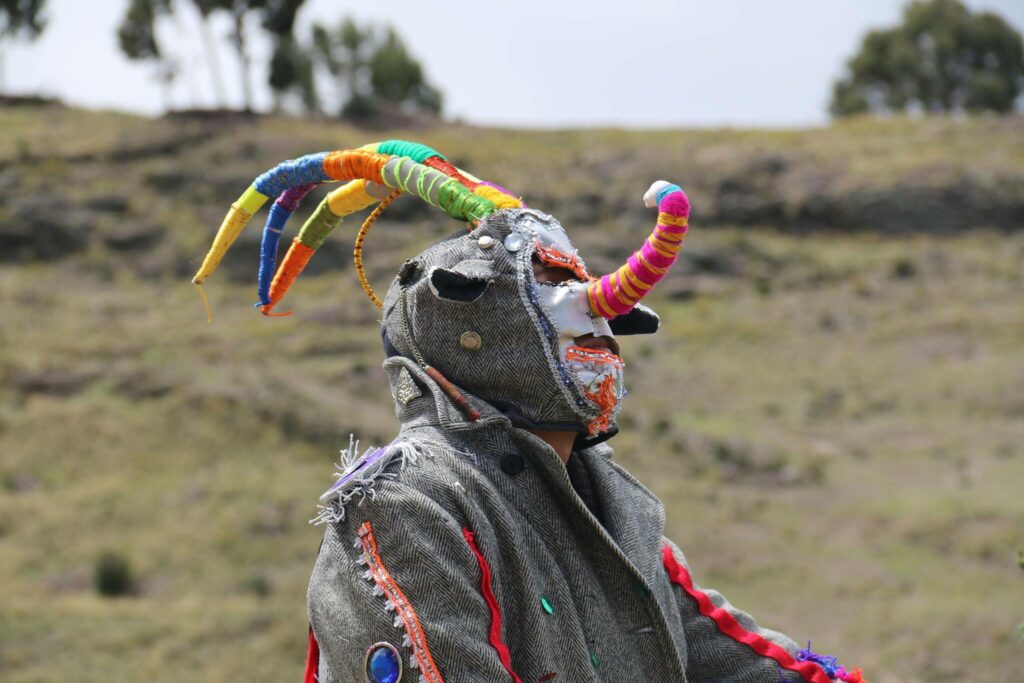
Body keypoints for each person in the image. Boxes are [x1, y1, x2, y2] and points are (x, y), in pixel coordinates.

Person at [193, 140, 866, 683]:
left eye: (602, 323)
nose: (600, 340)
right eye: (566, 309)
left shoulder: (610, 506)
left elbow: (725, 651)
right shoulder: (404, 504)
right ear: (471, 321)